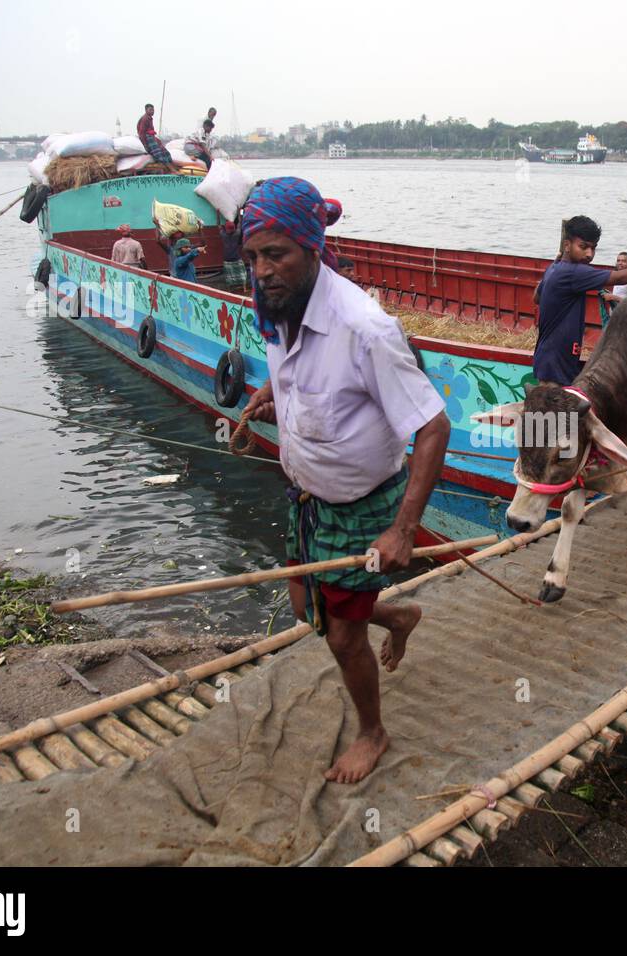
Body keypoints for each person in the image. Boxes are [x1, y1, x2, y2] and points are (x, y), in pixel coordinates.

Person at [239, 177, 449, 784]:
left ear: (311, 248)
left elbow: (434, 428)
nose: (262, 271)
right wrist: (270, 395)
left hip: (362, 509)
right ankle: (397, 616)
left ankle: (372, 734)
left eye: (275, 254)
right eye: (252, 258)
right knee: (307, 603)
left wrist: (402, 529)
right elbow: (303, 379)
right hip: (306, 499)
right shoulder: (278, 310)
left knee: (340, 638)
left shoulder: (365, 328)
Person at [534, 216, 627, 385]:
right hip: (556, 364)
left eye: (593, 248)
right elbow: (619, 278)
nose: (589, 254)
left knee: (558, 410)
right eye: (583, 247)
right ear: (567, 245)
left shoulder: (554, 268)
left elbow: (537, 298)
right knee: (556, 411)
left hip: (549, 358)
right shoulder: (573, 272)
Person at [135, 103, 176, 171]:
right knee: (159, 153)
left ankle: (173, 166)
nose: (152, 111)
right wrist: (145, 145)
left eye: (153, 110)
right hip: (148, 139)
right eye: (150, 110)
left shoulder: (149, 118)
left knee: (164, 151)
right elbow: (142, 133)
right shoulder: (144, 119)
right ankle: (171, 169)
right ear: (146, 110)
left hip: (151, 137)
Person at [220, 220, 246, 291]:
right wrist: (238, 212)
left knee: (230, 276)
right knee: (241, 274)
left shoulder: (224, 234)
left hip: (229, 258)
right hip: (235, 258)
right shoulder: (236, 234)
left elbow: (219, 226)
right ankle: (242, 288)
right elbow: (239, 225)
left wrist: (218, 214)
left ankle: (232, 289)